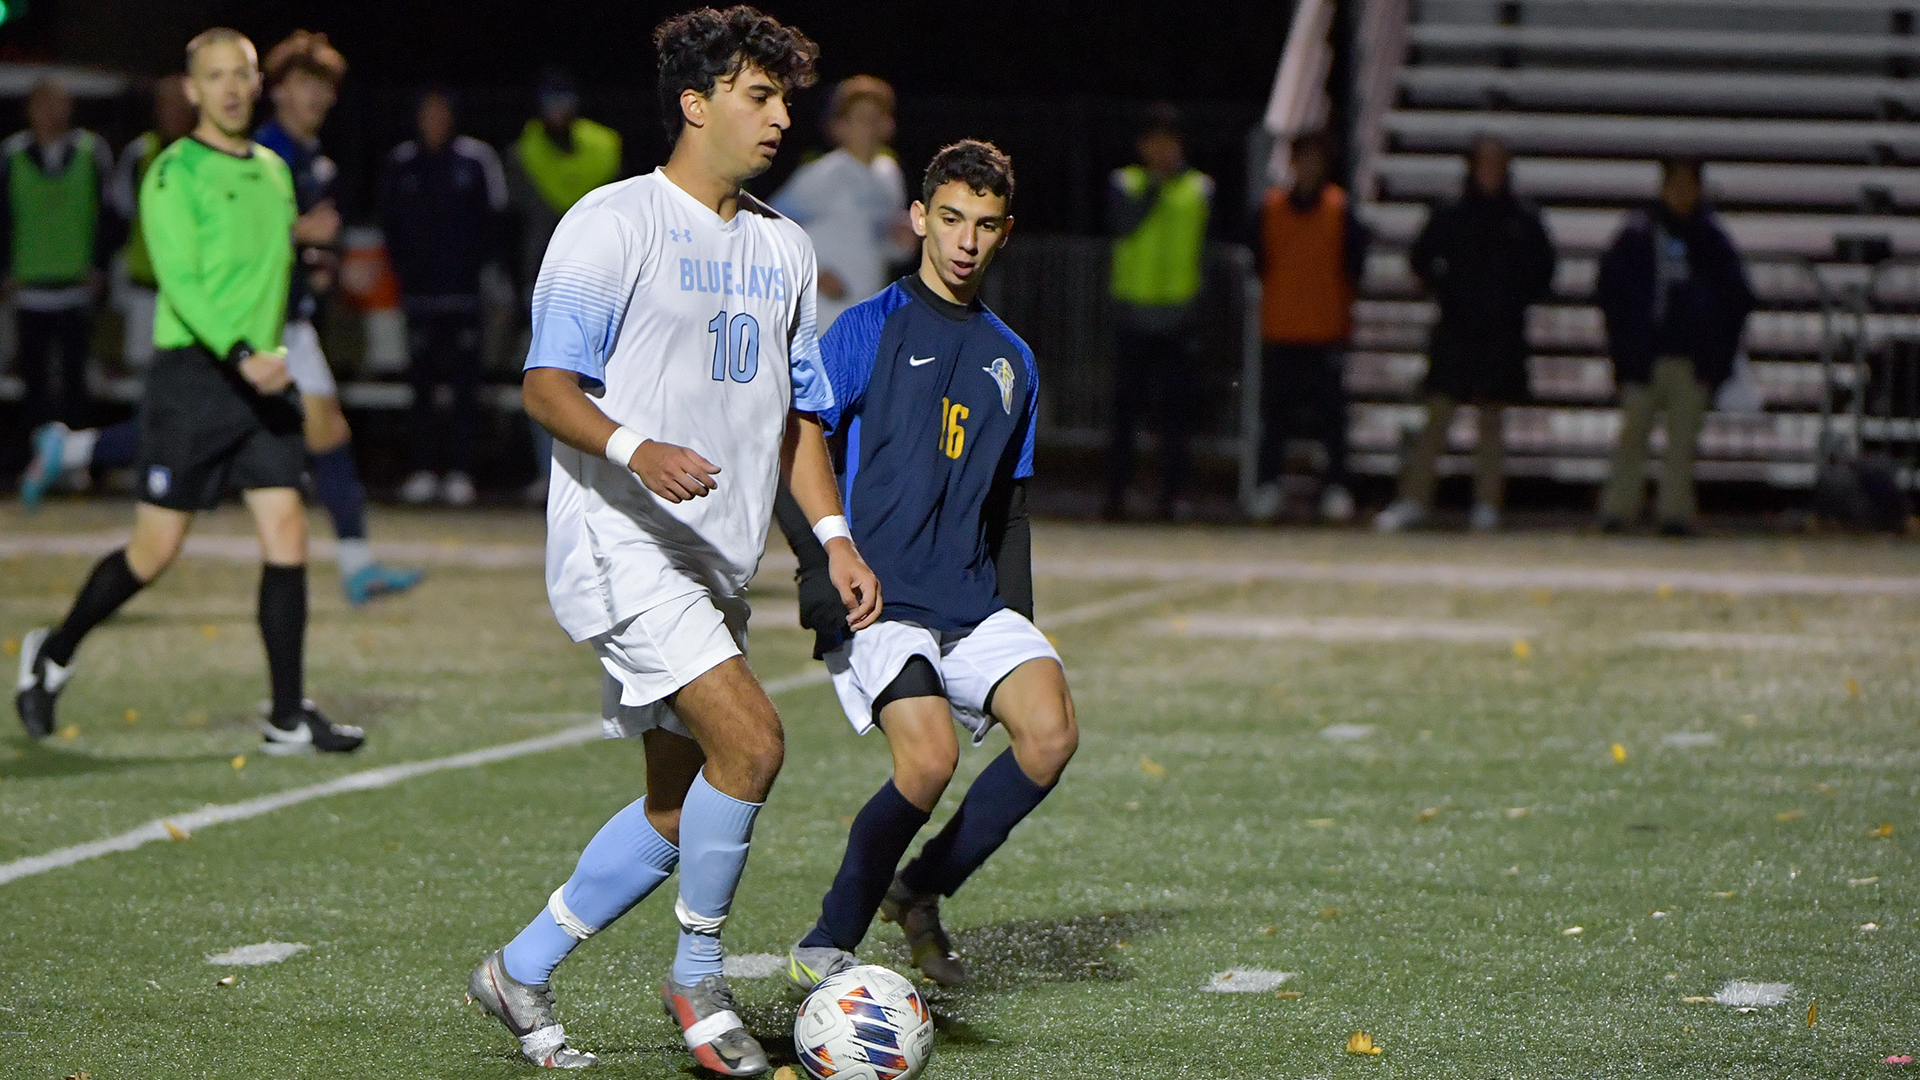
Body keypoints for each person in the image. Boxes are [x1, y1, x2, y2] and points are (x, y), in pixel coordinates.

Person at [464, 9, 878, 1074]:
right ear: (695, 105)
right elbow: (545, 387)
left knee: (672, 802)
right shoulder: (612, 223)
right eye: (760, 95)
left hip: (712, 561)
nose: (783, 117)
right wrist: (637, 447)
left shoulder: (786, 248)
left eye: (786, 99)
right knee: (753, 744)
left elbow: (799, 423)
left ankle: (518, 970)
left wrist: (831, 536)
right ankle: (697, 983)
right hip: (623, 538)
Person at [773, 139, 1078, 993]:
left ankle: (920, 890)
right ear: (918, 221)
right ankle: (830, 937)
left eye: (985, 225)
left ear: (1005, 233)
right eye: (950, 220)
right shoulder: (868, 326)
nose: (965, 241)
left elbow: (1009, 505)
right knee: (930, 761)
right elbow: (794, 449)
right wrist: (816, 574)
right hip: (882, 599)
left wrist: (1017, 616)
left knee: (1051, 735)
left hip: (971, 603)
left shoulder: (1013, 358)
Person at [14, 28, 363, 755]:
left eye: (242, 73)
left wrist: (309, 263)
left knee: (288, 534)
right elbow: (185, 282)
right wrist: (241, 351)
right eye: (216, 76)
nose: (232, 87)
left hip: (261, 377)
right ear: (193, 89)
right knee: (156, 549)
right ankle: (54, 650)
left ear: (254, 84)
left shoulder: (272, 169)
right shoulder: (173, 172)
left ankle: (287, 715)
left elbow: (266, 259)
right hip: (199, 378)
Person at [255, 30, 424, 604]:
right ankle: (73, 448)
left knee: (329, 433)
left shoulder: (312, 160)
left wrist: (320, 266)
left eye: (323, 87)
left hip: (291, 321)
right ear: (276, 91)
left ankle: (358, 567)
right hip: (254, 325)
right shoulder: (262, 155)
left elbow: (306, 248)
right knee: (196, 439)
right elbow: (238, 241)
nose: (317, 97)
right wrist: (300, 234)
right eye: (304, 84)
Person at [18, 76, 192, 508]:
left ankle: (75, 451)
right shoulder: (139, 154)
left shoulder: (212, 156)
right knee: (157, 388)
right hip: (151, 292)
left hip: (198, 298)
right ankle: (138, 466)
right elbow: (119, 218)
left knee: (193, 392)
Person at [1376, 135, 1555, 533]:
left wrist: (1513, 299)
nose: (1489, 172)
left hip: (1501, 335)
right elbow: (1421, 258)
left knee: (1492, 422)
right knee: (1437, 417)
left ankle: (1487, 504)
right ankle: (1413, 500)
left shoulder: (1522, 217)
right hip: (1456, 331)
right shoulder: (1451, 212)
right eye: (1483, 163)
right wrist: (1448, 290)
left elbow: (1544, 270)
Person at [1595, 156, 1754, 536]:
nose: (1682, 194)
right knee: (1633, 437)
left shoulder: (1710, 238)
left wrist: (1716, 354)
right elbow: (1611, 291)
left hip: (1691, 359)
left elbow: (1737, 297)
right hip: (1644, 356)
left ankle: (1674, 514)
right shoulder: (1637, 234)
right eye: (1675, 185)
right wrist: (1625, 344)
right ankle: (1618, 509)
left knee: (1682, 444)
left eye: (1689, 186)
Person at [380, 89, 509, 506]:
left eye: (441, 113)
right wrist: (405, 276)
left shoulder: (476, 161)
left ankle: (460, 471)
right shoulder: (402, 163)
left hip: (465, 297)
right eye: (427, 113)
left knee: (465, 387)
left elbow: (495, 223)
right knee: (421, 385)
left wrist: (483, 277)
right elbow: (390, 225)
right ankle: (422, 469)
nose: (434, 120)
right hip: (418, 296)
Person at [507, 68, 624, 502]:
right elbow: (512, 227)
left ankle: (601, 471)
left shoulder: (604, 146)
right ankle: (550, 474)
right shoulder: (524, 152)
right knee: (548, 381)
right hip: (544, 283)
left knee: (602, 380)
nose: (558, 110)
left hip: (601, 277)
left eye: (564, 99)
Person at [1102, 103, 1213, 521]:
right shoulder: (1126, 183)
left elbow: (1207, 248)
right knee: (1125, 412)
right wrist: (1154, 188)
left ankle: (1173, 497)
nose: (1163, 151)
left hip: (1179, 316)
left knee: (1176, 415)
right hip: (1134, 312)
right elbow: (1122, 225)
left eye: (1170, 142)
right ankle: (1116, 495)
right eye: (1155, 142)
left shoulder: (1200, 187)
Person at [1249, 129, 1365, 524]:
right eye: (1303, 158)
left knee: (1332, 422)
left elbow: (1353, 265)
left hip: (1326, 331)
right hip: (1281, 330)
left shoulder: (1339, 208)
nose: (1309, 166)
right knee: (1275, 420)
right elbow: (1259, 260)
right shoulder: (1271, 208)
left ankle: (1335, 488)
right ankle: (1268, 487)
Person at [3, 77, 116, 475]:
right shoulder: (12, 154)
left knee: (74, 383)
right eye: (44, 103)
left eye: (60, 102)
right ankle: (33, 464)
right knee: (32, 383)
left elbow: (107, 215)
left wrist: (99, 267)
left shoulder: (91, 151)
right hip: (29, 289)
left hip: (76, 288)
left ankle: (76, 464)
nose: (52, 111)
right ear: (30, 108)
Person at [769, 74, 914, 331]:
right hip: (821, 319)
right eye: (861, 119)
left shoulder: (889, 174)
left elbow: (887, 244)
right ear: (839, 127)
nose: (869, 127)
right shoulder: (825, 173)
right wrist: (812, 275)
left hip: (867, 315)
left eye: (876, 118)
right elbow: (771, 223)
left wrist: (903, 242)